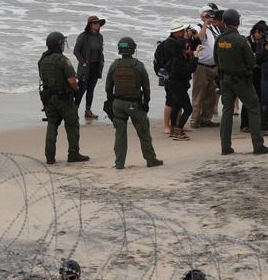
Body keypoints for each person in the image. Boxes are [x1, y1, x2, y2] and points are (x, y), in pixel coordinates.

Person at [213, 8, 268, 156]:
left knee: (227, 111)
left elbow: (216, 60)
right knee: (253, 107)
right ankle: (258, 145)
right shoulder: (240, 40)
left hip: (225, 79)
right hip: (241, 80)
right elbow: (252, 61)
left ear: (225, 22)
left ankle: (225, 147)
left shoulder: (219, 39)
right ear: (238, 22)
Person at [103, 36, 164, 169]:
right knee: (143, 132)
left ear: (119, 50)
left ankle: (119, 163)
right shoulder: (138, 65)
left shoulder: (114, 65)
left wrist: (111, 100)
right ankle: (150, 159)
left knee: (119, 135)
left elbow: (108, 87)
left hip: (118, 104)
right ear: (133, 49)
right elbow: (146, 87)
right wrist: (146, 102)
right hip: (134, 104)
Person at [38, 32, 89, 166]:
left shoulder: (42, 60)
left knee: (52, 125)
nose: (63, 46)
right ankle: (73, 154)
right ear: (58, 45)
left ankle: (50, 157)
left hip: (49, 98)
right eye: (62, 43)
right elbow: (72, 81)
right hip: (64, 99)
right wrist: (77, 89)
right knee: (72, 125)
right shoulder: (63, 60)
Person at [155, 20, 195, 135]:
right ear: (175, 32)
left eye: (183, 30)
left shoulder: (178, 42)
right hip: (170, 76)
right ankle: (166, 125)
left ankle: (177, 124)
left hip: (177, 77)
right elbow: (180, 56)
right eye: (181, 31)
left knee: (178, 102)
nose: (183, 32)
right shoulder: (170, 43)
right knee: (170, 101)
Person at [191, 6, 222, 129]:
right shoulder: (197, 27)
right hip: (201, 66)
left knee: (211, 94)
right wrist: (205, 24)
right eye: (207, 14)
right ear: (202, 16)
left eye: (211, 14)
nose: (210, 16)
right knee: (199, 93)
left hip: (214, 66)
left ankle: (206, 118)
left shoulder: (215, 28)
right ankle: (194, 119)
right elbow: (200, 39)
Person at [72, 14, 106, 119]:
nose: (98, 25)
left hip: (96, 66)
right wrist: (82, 62)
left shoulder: (100, 37)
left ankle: (88, 111)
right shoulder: (83, 36)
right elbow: (76, 51)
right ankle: (73, 110)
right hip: (85, 67)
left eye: (99, 23)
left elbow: (100, 51)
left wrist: (102, 61)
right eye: (95, 23)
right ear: (90, 25)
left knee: (91, 89)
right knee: (81, 89)